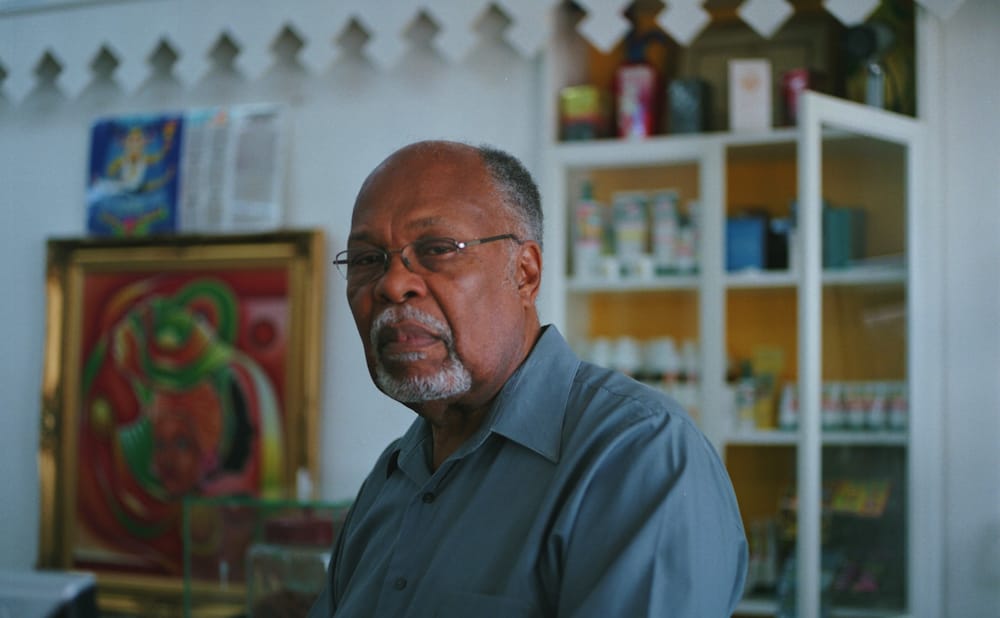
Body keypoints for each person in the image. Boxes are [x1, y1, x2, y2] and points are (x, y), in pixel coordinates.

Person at [309, 140, 747, 617]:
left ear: (525, 274)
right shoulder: (392, 478)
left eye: (437, 249)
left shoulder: (639, 455)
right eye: (366, 260)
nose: (392, 284)